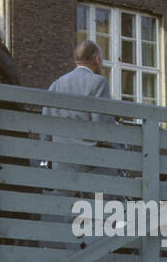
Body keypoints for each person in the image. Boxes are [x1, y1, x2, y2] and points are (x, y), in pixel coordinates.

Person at [42, 40, 117, 176]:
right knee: (101, 196)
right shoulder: (99, 82)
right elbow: (103, 127)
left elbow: (45, 132)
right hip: (90, 164)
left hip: (61, 163)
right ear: (96, 58)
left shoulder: (56, 85)